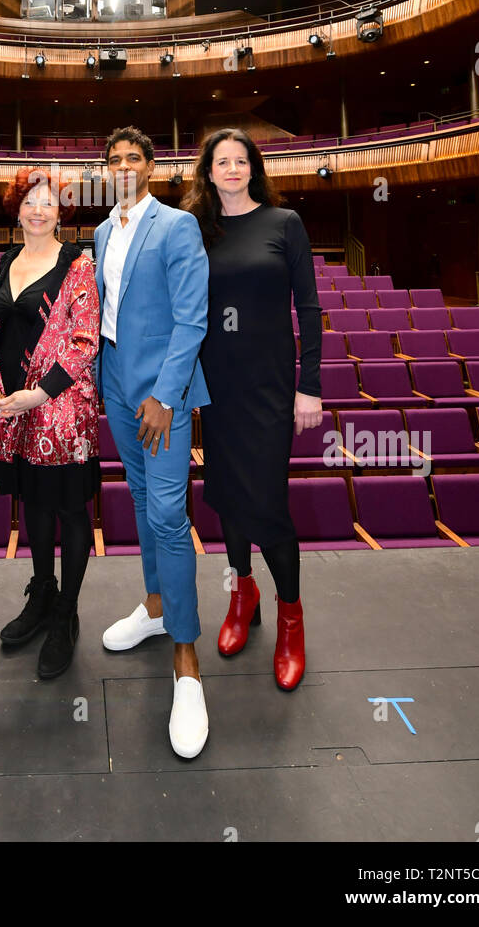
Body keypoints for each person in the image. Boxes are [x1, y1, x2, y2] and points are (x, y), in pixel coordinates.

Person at [182, 128, 323, 691]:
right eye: (223, 162)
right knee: (226, 497)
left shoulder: (284, 225)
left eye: (242, 161)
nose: (233, 169)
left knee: (267, 503)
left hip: (267, 388)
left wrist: (307, 386)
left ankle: (292, 618)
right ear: (208, 172)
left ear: (253, 168)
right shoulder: (197, 229)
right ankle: (242, 592)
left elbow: (309, 309)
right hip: (217, 386)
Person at [95, 127, 211, 759]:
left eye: (133, 157)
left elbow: (192, 318)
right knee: (141, 503)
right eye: (113, 160)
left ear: (152, 166)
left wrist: (166, 396)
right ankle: (156, 606)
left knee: (168, 515)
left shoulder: (177, 226)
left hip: (160, 397)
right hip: (115, 386)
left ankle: (186, 663)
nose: (123, 166)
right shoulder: (101, 232)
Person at [0, 167, 100, 679]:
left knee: (70, 511)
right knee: (33, 505)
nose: (37, 209)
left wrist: (38, 393)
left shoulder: (77, 264)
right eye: (28, 201)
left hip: (60, 411)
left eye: (47, 202)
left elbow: (84, 341)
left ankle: (66, 614)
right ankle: (42, 594)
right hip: (14, 413)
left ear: (60, 211)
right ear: (17, 207)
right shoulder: (7, 259)